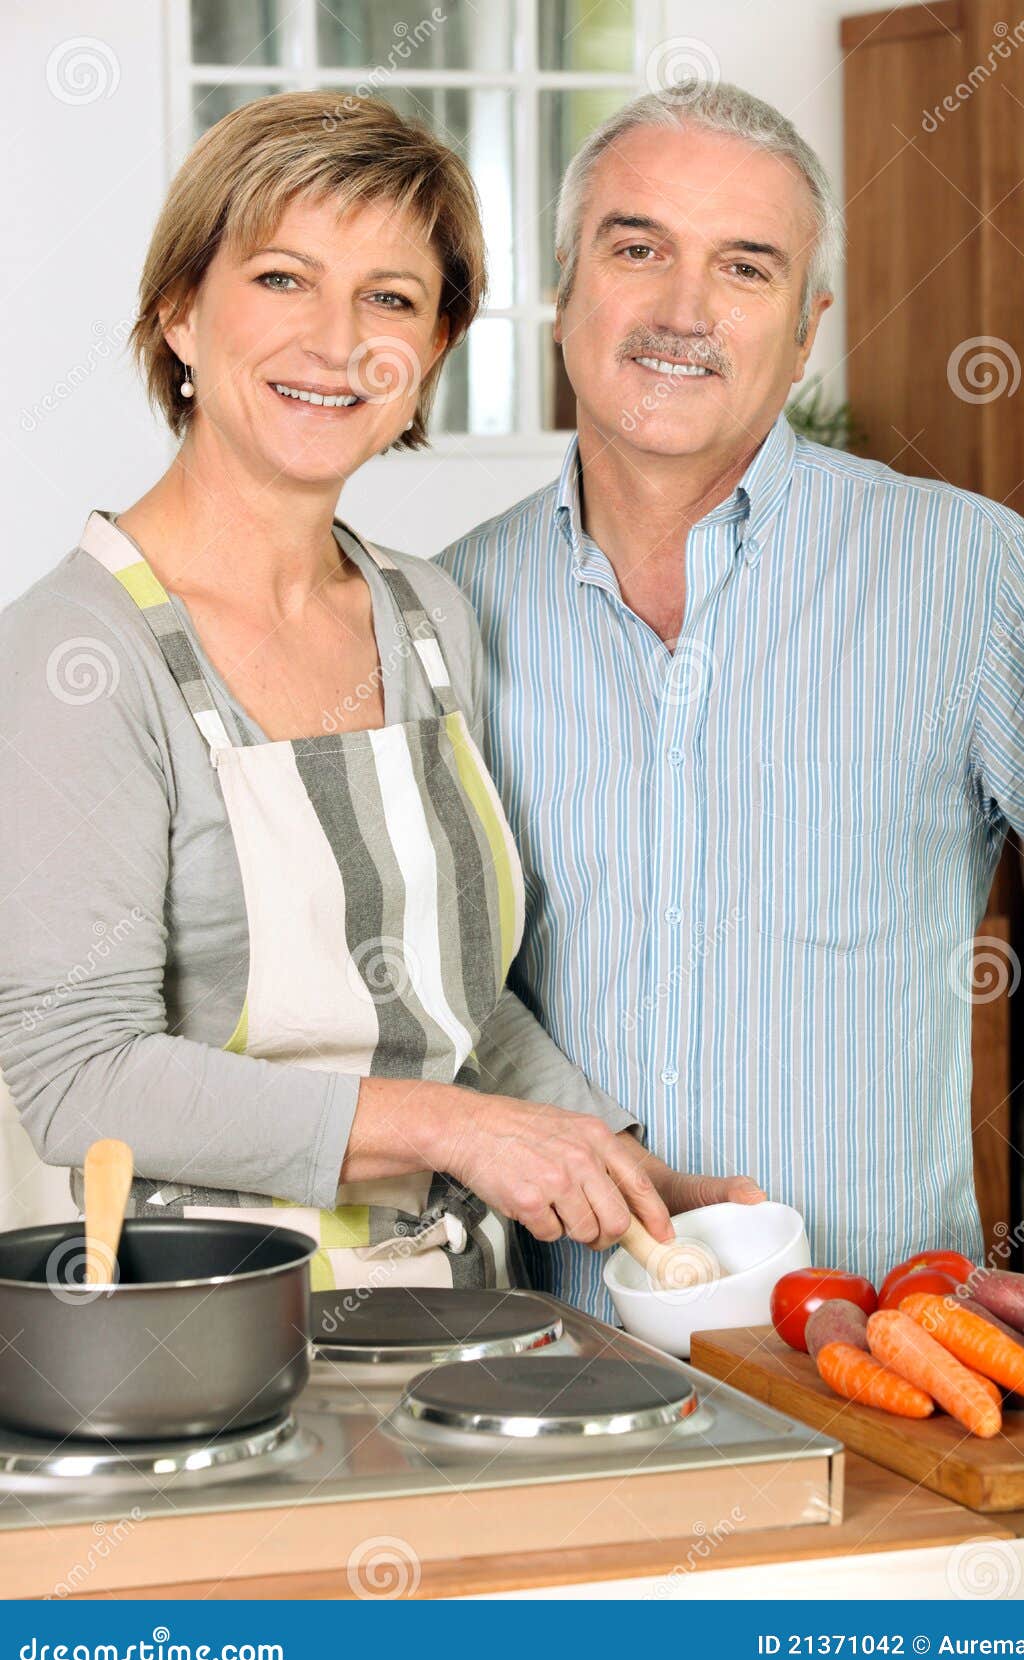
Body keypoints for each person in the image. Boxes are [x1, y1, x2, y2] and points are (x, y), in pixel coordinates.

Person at [0, 92, 761, 1297]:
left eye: (391, 299)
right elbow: (80, 1078)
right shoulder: (75, 656)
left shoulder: (425, 614)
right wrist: (454, 1130)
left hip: (452, 1321)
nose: (337, 340)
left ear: (430, 359)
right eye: (283, 279)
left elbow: (455, 997)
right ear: (179, 313)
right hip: (195, 1329)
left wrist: (608, 1161)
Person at [438, 79, 1024, 1319]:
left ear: (804, 327)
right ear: (566, 291)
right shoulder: (450, 606)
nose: (682, 310)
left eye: (744, 267)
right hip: (563, 1353)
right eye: (637, 249)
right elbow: (445, 980)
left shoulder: (971, 576)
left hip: (894, 1358)